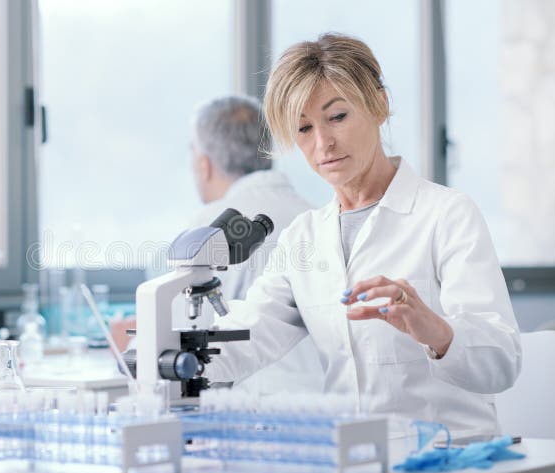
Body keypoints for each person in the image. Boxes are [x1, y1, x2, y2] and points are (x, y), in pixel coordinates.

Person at [206, 34, 521, 434]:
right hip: (355, 461)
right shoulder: (303, 236)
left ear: (379, 105)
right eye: (303, 128)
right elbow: (250, 332)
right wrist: (162, 348)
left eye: (337, 116)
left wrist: (434, 329)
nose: (323, 143)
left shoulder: (447, 214)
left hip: (451, 457)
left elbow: (502, 361)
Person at [113, 95, 323, 394]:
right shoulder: (313, 215)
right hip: (326, 402)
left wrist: (133, 346)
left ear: (203, 164)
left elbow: (165, 349)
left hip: (259, 410)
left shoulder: (207, 228)